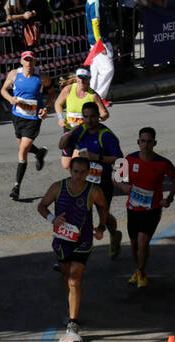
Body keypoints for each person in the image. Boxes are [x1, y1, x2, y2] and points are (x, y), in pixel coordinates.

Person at [36, 155, 107, 333]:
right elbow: (42, 206)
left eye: (82, 173)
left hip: (83, 242)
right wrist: (53, 218)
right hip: (62, 242)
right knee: (66, 277)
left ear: (88, 173)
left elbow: (103, 206)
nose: (78, 176)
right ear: (70, 170)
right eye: (75, 172)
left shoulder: (93, 191)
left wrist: (101, 227)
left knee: (74, 280)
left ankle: (72, 321)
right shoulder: (58, 187)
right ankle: (71, 306)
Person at [58, 100, 123, 259]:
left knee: (104, 214)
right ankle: (71, 254)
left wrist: (97, 157)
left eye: (93, 117)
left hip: (102, 182)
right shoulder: (81, 131)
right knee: (79, 216)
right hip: (83, 182)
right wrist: (71, 132)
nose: (89, 120)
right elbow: (62, 145)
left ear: (98, 117)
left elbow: (120, 160)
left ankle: (115, 235)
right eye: (85, 117)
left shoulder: (106, 135)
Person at [122, 126, 175, 287]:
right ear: (138, 142)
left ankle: (141, 271)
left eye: (149, 142)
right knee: (134, 244)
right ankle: (138, 269)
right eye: (143, 141)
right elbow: (116, 178)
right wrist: (123, 187)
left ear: (155, 143)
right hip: (132, 209)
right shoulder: (130, 159)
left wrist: (169, 198)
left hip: (152, 209)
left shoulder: (162, 163)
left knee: (142, 242)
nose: (145, 145)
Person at [0, 50, 49, 201]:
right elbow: (3, 90)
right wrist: (10, 99)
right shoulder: (14, 74)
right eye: (26, 60)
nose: (28, 63)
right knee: (24, 147)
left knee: (22, 152)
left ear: (35, 62)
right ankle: (39, 153)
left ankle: (16, 187)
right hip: (18, 116)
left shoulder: (41, 77)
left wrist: (46, 107)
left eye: (31, 60)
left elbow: (52, 91)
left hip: (33, 119)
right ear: (21, 61)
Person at [53, 67, 106, 169]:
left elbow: (104, 113)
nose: (81, 81)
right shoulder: (68, 89)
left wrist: (94, 119)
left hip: (84, 133)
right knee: (66, 165)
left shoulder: (93, 95)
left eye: (84, 78)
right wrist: (60, 118)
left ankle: (81, 180)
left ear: (89, 79)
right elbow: (58, 103)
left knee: (75, 163)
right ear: (76, 78)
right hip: (69, 131)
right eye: (80, 78)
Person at [83, 0, 112, 102]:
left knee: (95, 71)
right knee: (108, 70)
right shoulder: (96, 3)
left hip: (93, 41)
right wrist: (100, 43)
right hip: (100, 41)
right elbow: (95, 24)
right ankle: (99, 97)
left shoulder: (89, 2)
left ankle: (91, 96)